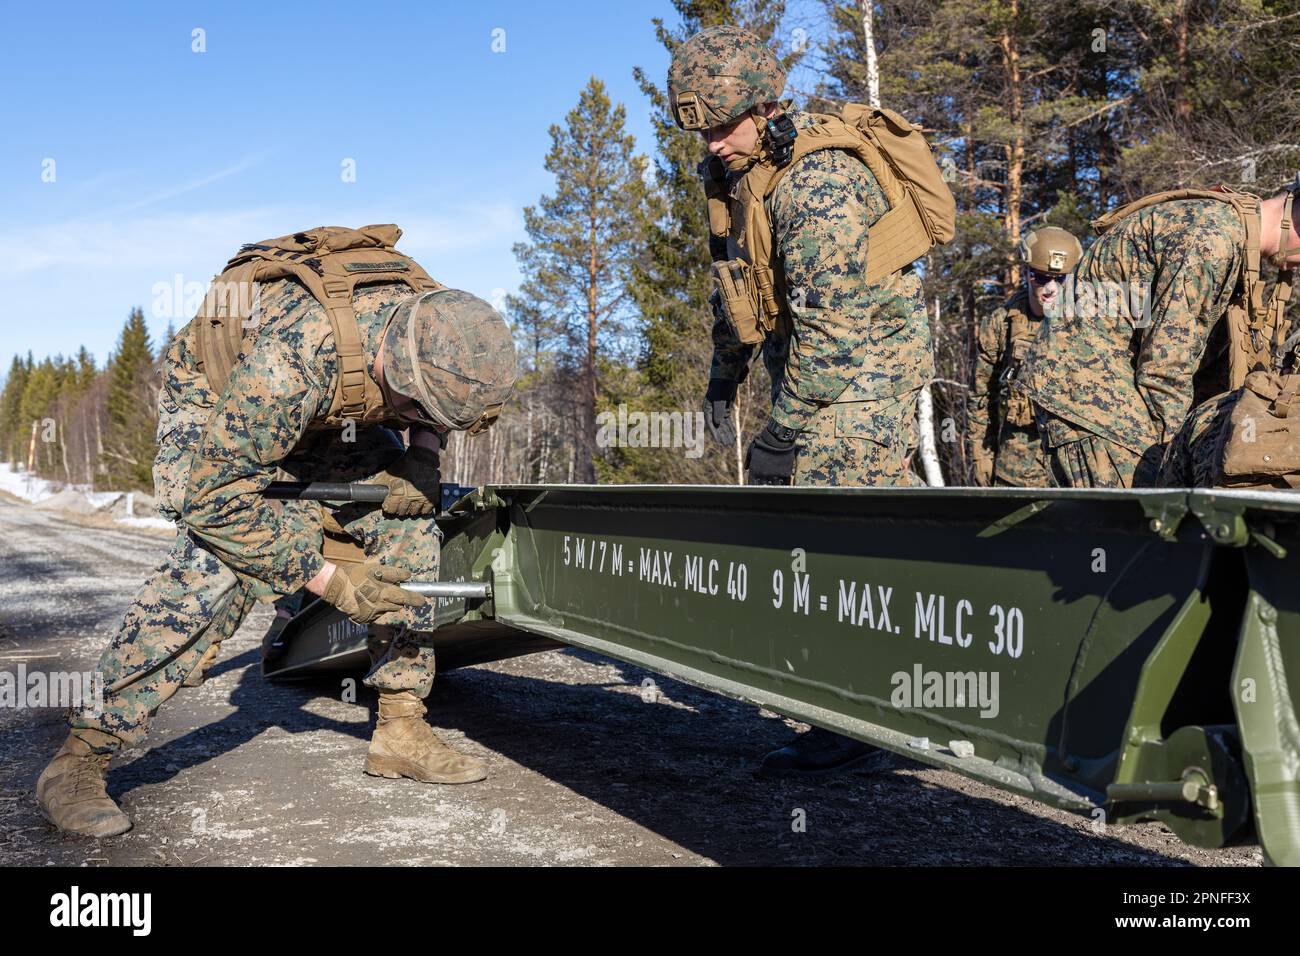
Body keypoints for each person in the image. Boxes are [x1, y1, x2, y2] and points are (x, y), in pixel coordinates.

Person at [36, 225, 517, 837]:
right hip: (222, 407)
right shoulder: (291, 362)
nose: (426, 424)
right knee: (218, 566)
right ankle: (82, 756)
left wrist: (419, 458)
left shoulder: (442, 323)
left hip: (335, 408)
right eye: (422, 416)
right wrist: (333, 582)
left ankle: (401, 724)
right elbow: (216, 500)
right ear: (395, 372)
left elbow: (433, 412)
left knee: (409, 524)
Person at [670, 25, 939, 774]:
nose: (713, 142)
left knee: (840, 545)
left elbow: (836, 328)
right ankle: (881, 711)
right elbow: (744, 292)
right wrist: (726, 376)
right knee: (849, 539)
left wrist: (780, 432)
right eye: (700, 128)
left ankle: (862, 725)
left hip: (863, 382)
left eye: (722, 125)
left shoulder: (816, 183)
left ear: (763, 108)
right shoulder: (745, 179)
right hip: (822, 376)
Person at [1019, 185, 1300, 488]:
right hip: (1087, 388)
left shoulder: (1234, 236)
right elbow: (1166, 366)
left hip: (1113, 381)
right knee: (1138, 516)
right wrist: (1175, 458)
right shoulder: (1211, 236)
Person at [970, 227, 1082, 486]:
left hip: (1073, 468)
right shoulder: (1001, 323)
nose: (1050, 288)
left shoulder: (1087, 322)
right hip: (1017, 469)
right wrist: (982, 458)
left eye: (1061, 279)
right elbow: (980, 397)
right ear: (1027, 273)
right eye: (1040, 277)